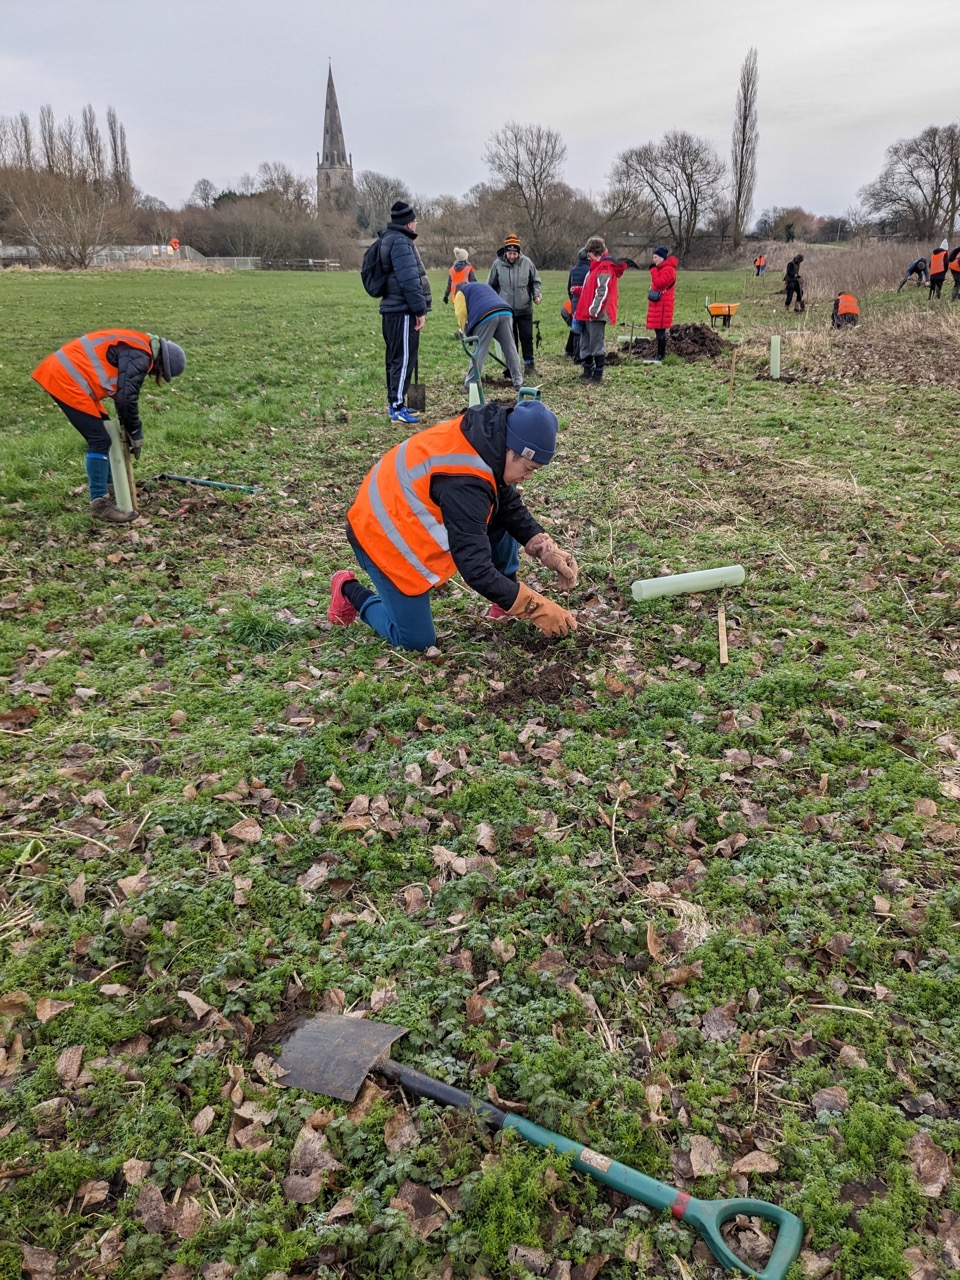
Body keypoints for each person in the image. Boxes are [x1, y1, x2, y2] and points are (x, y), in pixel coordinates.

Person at [327, 400, 578, 651]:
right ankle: (348, 589)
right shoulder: (464, 483)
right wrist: (535, 607)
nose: (529, 477)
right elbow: (475, 568)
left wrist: (543, 546)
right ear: (511, 450)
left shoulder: (488, 441)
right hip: (378, 535)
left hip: (406, 513)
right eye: (528, 468)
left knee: (498, 513)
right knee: (416, 642)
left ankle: (504, 597)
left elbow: (505, 501)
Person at [32, 329, 186, 523]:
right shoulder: (140, 354)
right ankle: (99, 503)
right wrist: (136, 432)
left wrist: (129, 428)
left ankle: (112, 488)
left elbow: (122, 393)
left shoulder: (139, 347)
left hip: (72, 379)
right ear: (161, 362)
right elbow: (126, 398)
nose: (154, 375)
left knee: (107, 434)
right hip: (65, 378)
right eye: (160, 372)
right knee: (99, 439)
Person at [378, 200, 431, 424]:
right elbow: (409, 280)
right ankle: (398, 407)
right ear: (408, 223)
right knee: (403, 358)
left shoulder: (389, 239)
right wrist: (420, 310)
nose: (416, 224)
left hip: (392, 309)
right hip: (402, 310)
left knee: (395, 358)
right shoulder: (401, 242)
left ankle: (395, 403)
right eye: (415, 220)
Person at [574, 236, 627, 382]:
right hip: (587, 313)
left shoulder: (605, 267)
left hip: (596, 313)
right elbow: (590, 289)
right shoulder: (595, 267)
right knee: (585, 342)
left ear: (594, 251)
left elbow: (602, 292)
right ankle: (587, 369)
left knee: (596, 343)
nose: (588, 257)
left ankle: (597, 374)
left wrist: (593, 311)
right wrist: (579, 290)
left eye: (589, 253)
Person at [487, 234, 542, 375]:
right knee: (510, 341)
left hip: (524, 309)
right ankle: (512, 368)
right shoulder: (497, 264)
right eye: (510, 253)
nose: (512, 256)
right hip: (506, 311)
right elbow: (490, 286)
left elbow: (535, 282)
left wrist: (536, 295)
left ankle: (529, 366)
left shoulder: (527, 263)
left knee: (527, 338)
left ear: (518, 252)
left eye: (515, 253)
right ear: (505, 252)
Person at [454, 281, 522, 391]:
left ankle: (470, 385)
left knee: (479, 350)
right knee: (510, 348)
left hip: (486, 315)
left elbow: (461, 314)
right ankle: (518, 381)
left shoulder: (461, 292)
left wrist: (466, 333)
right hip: (505, 312)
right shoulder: (482, 286)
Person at [644, 246, 678, 363]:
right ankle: (659, 354)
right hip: (658, 304)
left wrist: (653, 271)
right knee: (658, 330)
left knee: (661, 331)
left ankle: (661, 355)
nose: (653, 260)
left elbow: (659, 283)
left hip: (663, 305)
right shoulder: (662, 269)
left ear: (662, 258)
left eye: (655, 257)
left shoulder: (668, 269)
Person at [565, 247, 590, 362]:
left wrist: (573, 300)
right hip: (586, 304)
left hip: (575, 304)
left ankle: (576, 356)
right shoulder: (590, 270)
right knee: (586, 331)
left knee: (576, 330)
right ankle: (584, 355)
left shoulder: (573, 270)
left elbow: (569, 288)